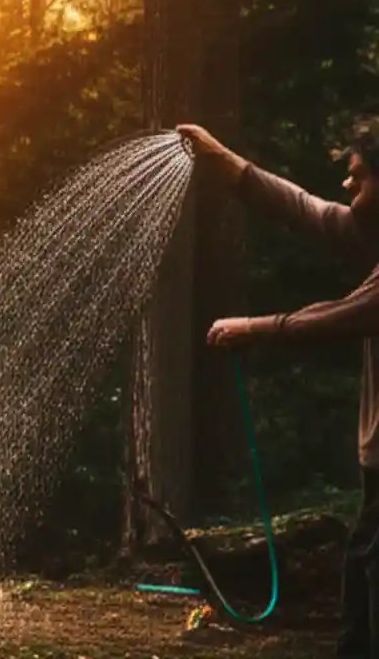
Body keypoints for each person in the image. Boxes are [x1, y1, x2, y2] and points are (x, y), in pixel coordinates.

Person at [179, 122, 379, 659]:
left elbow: (340, 317)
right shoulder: (371, 234)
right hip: (376, 471)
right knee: (360, 603)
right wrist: (226, 161)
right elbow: (303, 209)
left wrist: (255, 328)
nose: (346, 184)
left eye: (359, 175)